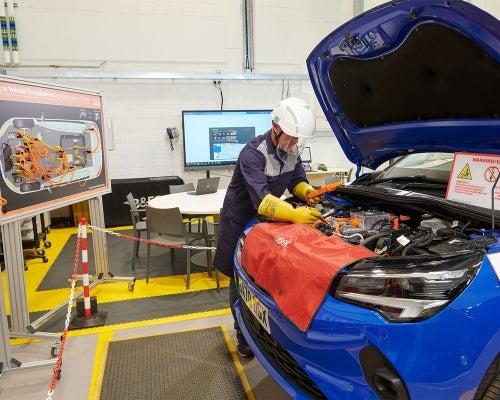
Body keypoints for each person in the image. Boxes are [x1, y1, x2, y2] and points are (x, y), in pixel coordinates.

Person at [213, 97, 321, 358]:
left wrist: (309, 192)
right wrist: (295, 214)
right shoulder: (252, 153)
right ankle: (243, 335)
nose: (294, 144)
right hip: (240, 222)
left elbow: (296, 180)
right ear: (276, 128)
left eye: (298, 139)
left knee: (264, 278)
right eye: (291, 137)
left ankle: (268, 330)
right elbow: (262, 200)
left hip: (268, 224)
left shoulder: (291, 150)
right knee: (240, 281)